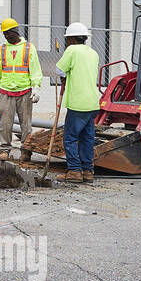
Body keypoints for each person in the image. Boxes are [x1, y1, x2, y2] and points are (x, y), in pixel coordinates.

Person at [55, 21, 101, 182]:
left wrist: (65, 76)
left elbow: (59, 69)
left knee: (70, 137)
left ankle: (74, 170)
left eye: (67, 39)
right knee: (87, 138)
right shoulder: (93, 53)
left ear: (72, 39)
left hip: (78, 102)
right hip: (93, 102)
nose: (66, 42)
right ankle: (88, 171)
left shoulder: (72, 50)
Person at [0, 17, 42, 161]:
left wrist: (36, 87)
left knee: (26, 124)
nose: (7, 36)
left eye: (9, 33)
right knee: (5, 124)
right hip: (6, 91)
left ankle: (26, 151)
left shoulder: (28, 48)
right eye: (5, 34)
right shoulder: (2, 49)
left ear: (16, 31)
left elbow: (35, 69)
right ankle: (5, 149)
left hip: (24, 91)